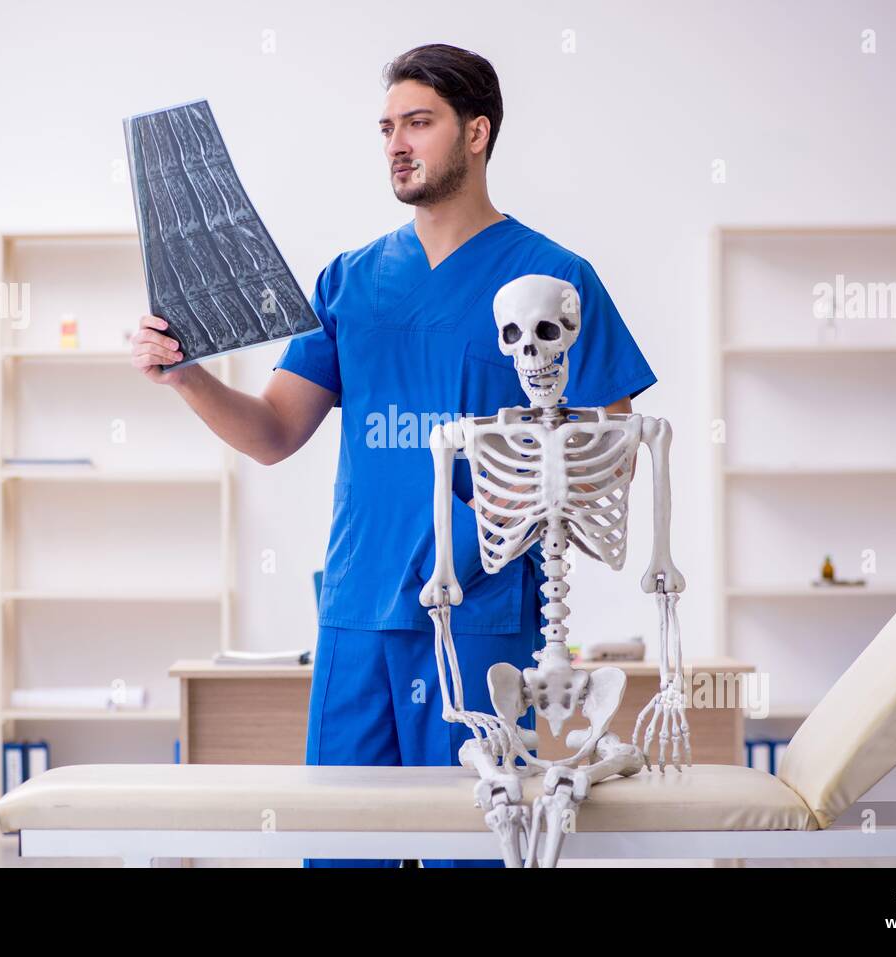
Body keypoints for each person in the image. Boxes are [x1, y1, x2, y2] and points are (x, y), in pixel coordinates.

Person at [132, 43, 657, 867]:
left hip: (479, 613)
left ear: (477, 133)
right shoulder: (349, 281)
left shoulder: (554, 280)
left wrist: (509, 498)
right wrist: (185, 376)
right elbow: (273, 433)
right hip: (356, 613)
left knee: (473, 847)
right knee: (343, 847)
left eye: (418, 123)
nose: (397, 145)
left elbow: (611, 450)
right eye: (386, 129)